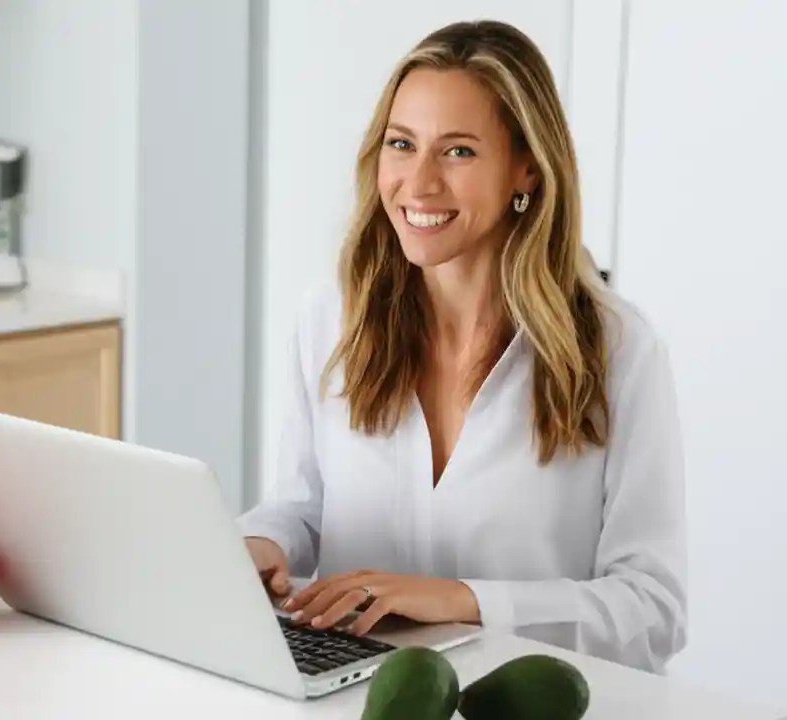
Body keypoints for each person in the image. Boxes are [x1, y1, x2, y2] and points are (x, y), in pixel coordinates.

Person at [238, 19, 687, 674]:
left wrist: (460, 600)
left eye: (458, 152)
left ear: (525, 169)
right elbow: (301, 506)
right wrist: (260, 543)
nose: (417, 184)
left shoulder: (618, 351)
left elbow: (652, 609)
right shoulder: (332, 318)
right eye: (402, 144)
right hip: (360, 696)